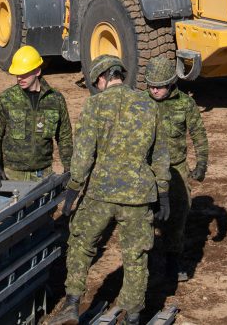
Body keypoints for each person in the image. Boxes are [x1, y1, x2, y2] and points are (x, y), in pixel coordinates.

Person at [50, 55, 170, 325]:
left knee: (81, 244)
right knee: (136, 255)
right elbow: (160, 154)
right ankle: (134, 316)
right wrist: (163, 193)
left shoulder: (94, 105)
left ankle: (71, 304)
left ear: (102, 78)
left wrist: (72, 191)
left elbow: (82, 155)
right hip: (138, 195)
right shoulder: (148, 106)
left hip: (100, 193)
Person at [146, 56, 209, 283]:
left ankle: (173, 262)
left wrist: (201, 162)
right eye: (151, 85)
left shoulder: (185, 104)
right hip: (147, 171)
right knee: (145, 218)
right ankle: (146, 264)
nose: (155, 90)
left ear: (171, 83)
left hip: (176, 169)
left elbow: (198, 135)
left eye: (159, 86)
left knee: (177, 217)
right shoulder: (140, 103)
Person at [0, 45, 72, 188]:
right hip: (12, 175)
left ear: (37, 71)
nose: (20, 78)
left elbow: (64, 137)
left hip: (42, 175)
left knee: (43, 210)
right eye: (17, 74)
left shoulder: (55, 100)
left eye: (24, 73)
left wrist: (69, 168)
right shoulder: (6, 99)